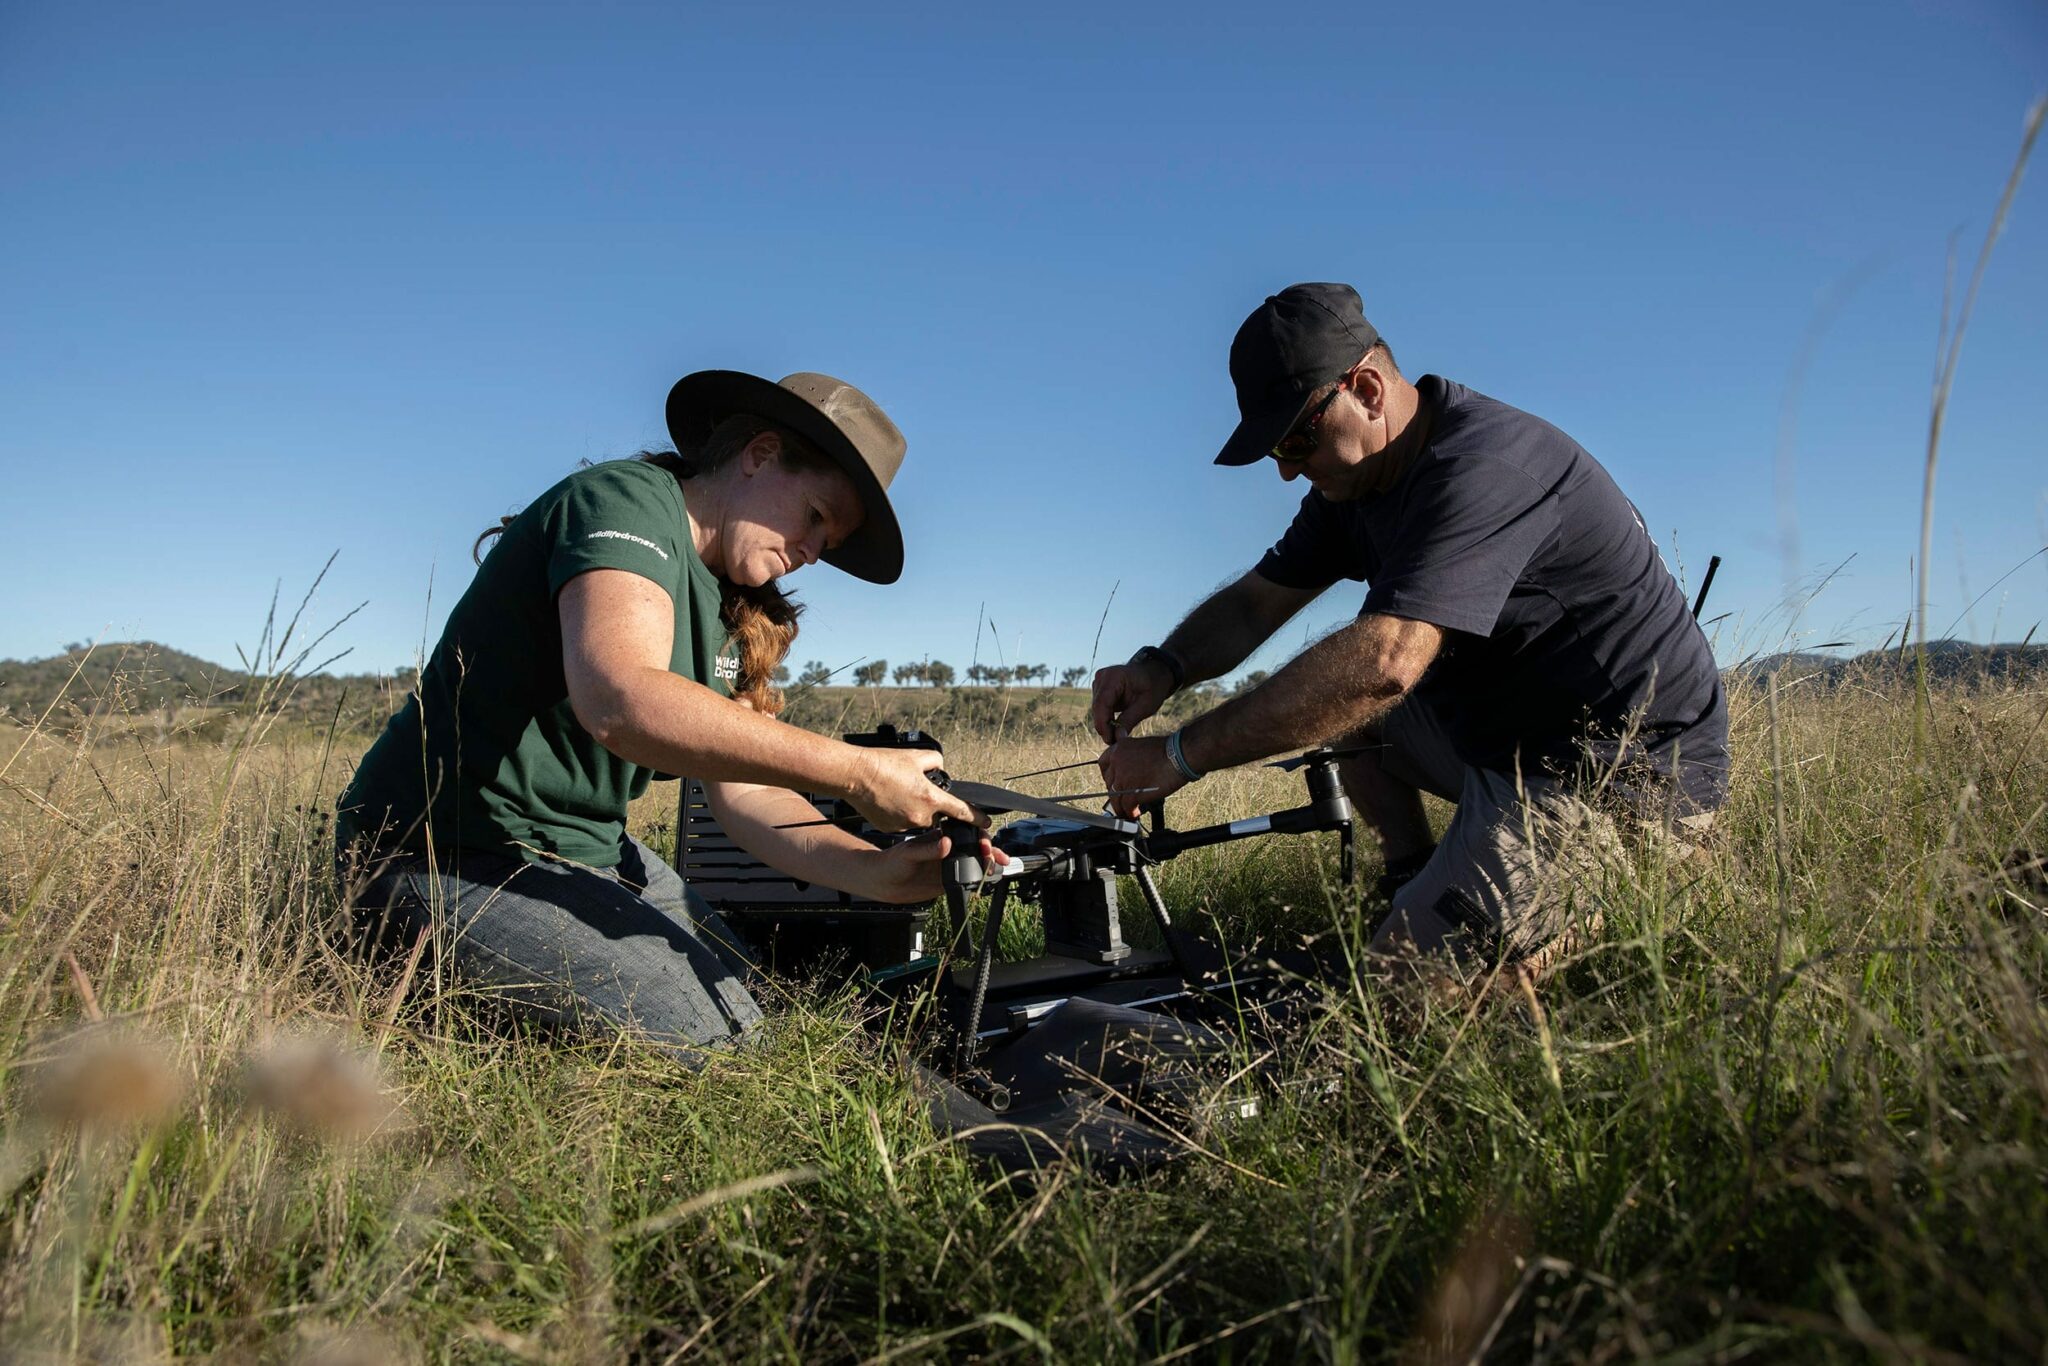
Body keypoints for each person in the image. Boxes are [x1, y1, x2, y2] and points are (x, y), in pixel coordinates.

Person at [336, 369, 996, 1063]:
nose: (810, 553)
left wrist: (875, 875)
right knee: (723, 1041)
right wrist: (856, 773)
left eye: (826, 545)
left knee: (745, 995)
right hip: (443, 853)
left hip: (586, 852)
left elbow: (741, 793)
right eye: (814, 517)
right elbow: (621, 699)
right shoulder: (624, 503)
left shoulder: (739, 608)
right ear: (760, 454)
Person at [1094, 284, 1727, 975]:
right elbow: (1254, 604)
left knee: (1401, 992)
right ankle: (1412, 875)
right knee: (1347, 719)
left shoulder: (1482, 468)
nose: (1285, 470)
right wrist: (1160, 666)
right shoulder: (1356, 484)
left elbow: (1385, 665)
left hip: (1610, 777)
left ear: (1366, 388)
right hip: (1498, 745)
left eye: (1296, 438)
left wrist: (1179, 756)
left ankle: (1641, 881)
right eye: (1277, 448)